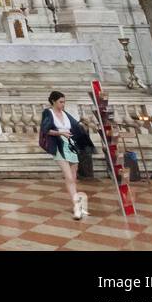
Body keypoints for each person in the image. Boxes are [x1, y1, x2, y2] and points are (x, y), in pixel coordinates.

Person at [40, 90, 90, 220]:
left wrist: (83, 125)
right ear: (53, 101)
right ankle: (76, 207)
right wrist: (60, 133)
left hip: (71, 145)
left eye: (64, 102)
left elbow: (74, 127)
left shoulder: (65, 114)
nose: (63, 104)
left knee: (73, 177)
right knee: (68, 177)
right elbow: (45, 130)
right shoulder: (48, 113)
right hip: (59, 146)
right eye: (61, 102)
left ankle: (78, 205)